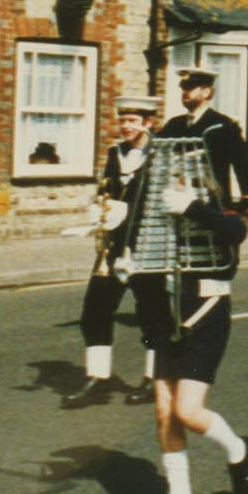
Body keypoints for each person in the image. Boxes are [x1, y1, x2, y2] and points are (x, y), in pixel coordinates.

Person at [128, 147, 248, 494]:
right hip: (165, 316)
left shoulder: (216, 207)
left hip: (206, 314)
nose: (173, 181)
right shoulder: (158, 215)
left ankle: (238, 449)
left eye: (181, 174)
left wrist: (194, 208)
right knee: (164, 412)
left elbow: (237, 233)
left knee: (188, 410)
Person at [61, 97, 159, 408]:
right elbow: (108, 190)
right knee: (94, 311)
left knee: (152, 315)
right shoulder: (115, 153)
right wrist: (98, 208)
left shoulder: (160, 154)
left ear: (148, 123)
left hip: (149, 244)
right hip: (115, 246)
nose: (126, 126)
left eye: (133, 120)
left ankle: (155, 378)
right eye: (123, 120)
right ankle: (98, 379)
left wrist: (130, 213)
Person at [158, 68, 248, 216]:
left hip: (212, 199)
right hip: (178, 199)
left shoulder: (223, 125)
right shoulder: (174, 124)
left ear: (206, 92)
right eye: (183, 88)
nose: (185, 92)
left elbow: (242, 162)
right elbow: (158, 152)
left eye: (190, 88)